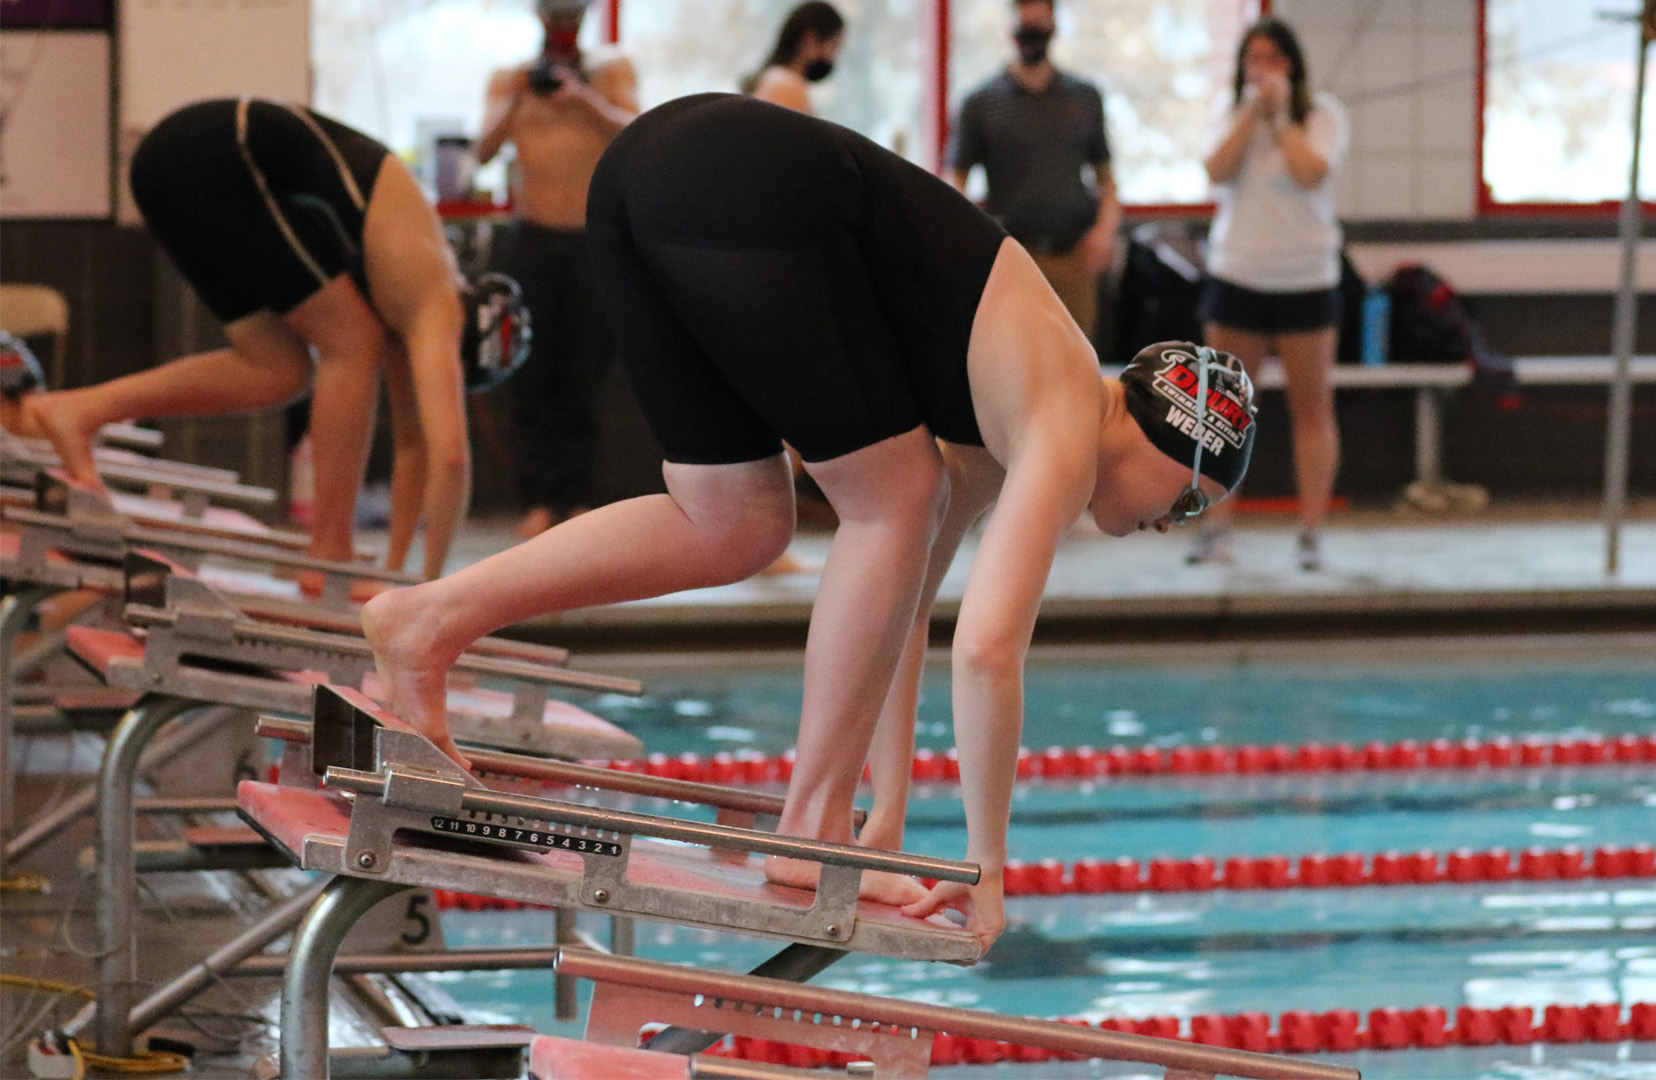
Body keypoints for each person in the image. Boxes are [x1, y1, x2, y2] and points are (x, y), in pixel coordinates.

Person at [361, 94, 1256, 951]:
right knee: (897, 495)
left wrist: (889, 814)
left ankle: (426, 620)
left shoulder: (1011, 411)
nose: (1171, 524)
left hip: (649, 172)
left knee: (735, 519)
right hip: (738, 182)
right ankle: (810, 828)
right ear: (1174, 442)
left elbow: (905, 611)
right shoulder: (1065, 416)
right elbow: (986, 650)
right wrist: (986, 865)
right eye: (1190, 501)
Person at [0, 97, 521, 584]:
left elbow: (414, 449)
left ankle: (79, 411)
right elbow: (452, 457)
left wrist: (403, 579)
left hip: (172, 165)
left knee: (279, 369)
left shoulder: (409, 296)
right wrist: (435, 590)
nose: (423, 371)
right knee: (351, 341)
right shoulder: (434, 301)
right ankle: (329, 551)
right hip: (213, 156)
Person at [1187, 17, 1348, 571]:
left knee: (1312, 408)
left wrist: (1279, 120)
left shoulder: (1322, 115)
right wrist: (1250, 117)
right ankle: (1215, 528)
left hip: (1306, 279)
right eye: (1253, 59)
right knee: (1224, 408)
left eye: (1273, 58)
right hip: (1239, 275)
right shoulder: (1230, 113)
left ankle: (1311, 533)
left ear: (1292, 65)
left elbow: (1310, 172)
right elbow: (1215, 169)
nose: (1263, 70)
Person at [475, 0, 639, 540]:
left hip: (593, 241)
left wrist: (585, 99)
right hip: (533, 239)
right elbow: (481, 151)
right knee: (532, 376)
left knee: (584, 374)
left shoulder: (610, 74)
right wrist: (516, 97)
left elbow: (637, 132)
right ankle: (540, 498)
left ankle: (579, 497)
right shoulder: (512, 78)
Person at [945, 0, 1119, 338]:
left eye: (1039, 27)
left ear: (1053, 28)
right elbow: (955, 182)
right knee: (1015, 352)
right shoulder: (981, 102)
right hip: (1012, 258)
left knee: (1077, 357)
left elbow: (1107, 180)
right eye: (1025, 27)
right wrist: (967, 241)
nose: (1031, 37)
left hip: (1072, 257)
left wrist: (1104, 231)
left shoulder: (1084, 97)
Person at [745, 1, 845, 116]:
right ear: (810, 40)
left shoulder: (774, 78)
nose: (833, 56)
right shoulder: (786, 86)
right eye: (834, 46)